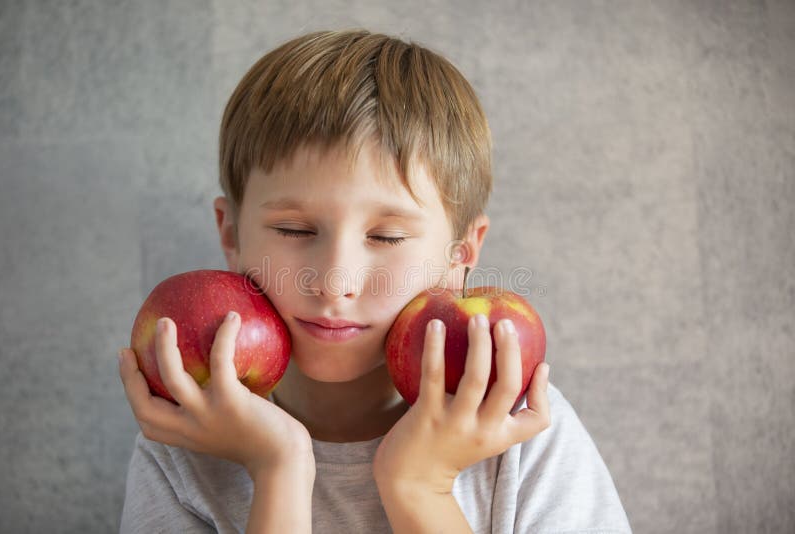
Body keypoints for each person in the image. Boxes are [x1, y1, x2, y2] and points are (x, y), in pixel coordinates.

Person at [117, 29, 631, 533]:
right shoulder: (184, 438)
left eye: (386, 237)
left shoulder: (516, 429)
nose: (335, 283)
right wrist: (278, 469)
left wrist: (419, 488)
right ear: (231, 233)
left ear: (462, 254)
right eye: (294, 229)